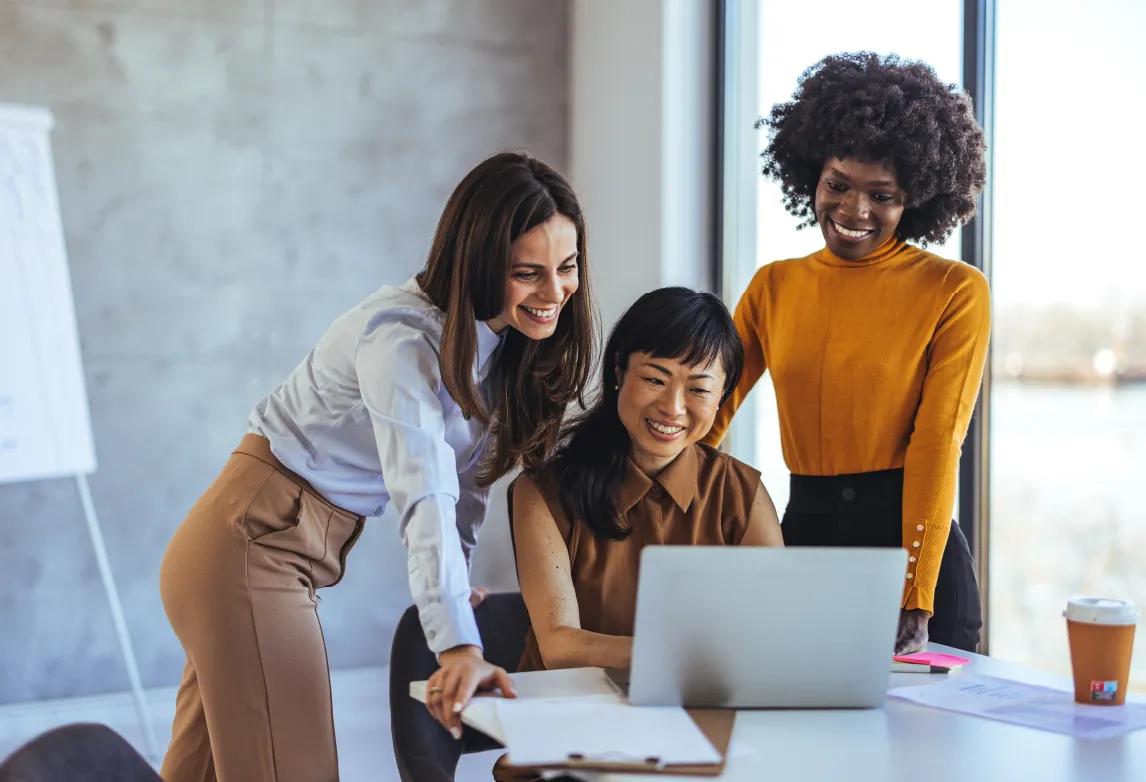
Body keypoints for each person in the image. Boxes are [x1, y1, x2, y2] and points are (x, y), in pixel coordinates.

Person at [158, 152, 595, 782]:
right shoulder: (401, 339)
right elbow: (424, 490)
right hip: (250, 547)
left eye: (567, 267)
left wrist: (458, 591)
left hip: (262, 547)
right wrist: (457, 645)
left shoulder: (496, 343)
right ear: (478, 263)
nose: (554, 293)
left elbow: (466, 480)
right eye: (528, 273)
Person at [704, 52, 990, 654]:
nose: (854, 211)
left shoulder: (955, 291)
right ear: (812, 173)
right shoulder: (773, 286)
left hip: (913, 559)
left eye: (880, 195)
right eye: (838, 185)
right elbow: (709, 412)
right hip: (802, 541)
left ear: (914, 198)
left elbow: (938, 441)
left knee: (923, 750)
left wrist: (916, 593)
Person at [509, 287, 784, 673]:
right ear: (619, 371)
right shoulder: (543, 490)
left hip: (695, 715)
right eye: (656, 379)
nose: (673, 407)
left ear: (722, 397)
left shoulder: (741, 492)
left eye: (699, 389)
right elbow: (559, 644)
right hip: (568, 713)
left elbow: (776, 629)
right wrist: (690, 658)